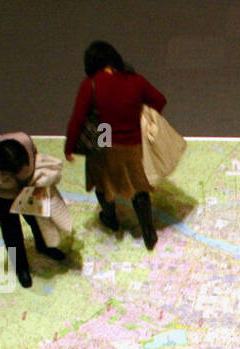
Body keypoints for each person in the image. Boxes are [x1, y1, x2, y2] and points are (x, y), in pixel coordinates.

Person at [64, 41, 166, 250]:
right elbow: (159, 100)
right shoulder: (135, 80)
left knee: (102, 184)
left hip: (104, 139)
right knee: (139, 189)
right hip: (132, 143)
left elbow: (77, 119)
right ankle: (149, 233)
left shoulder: (90, 84)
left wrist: (69, 147)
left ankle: (110, 218)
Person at [0, 132, 67, 288]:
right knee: (12, 235)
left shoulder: (25, 139)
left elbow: (36, 158)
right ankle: (21, 268)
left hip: (28, 189)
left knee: (38, 221)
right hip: (2, 198)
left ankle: (44, 246)